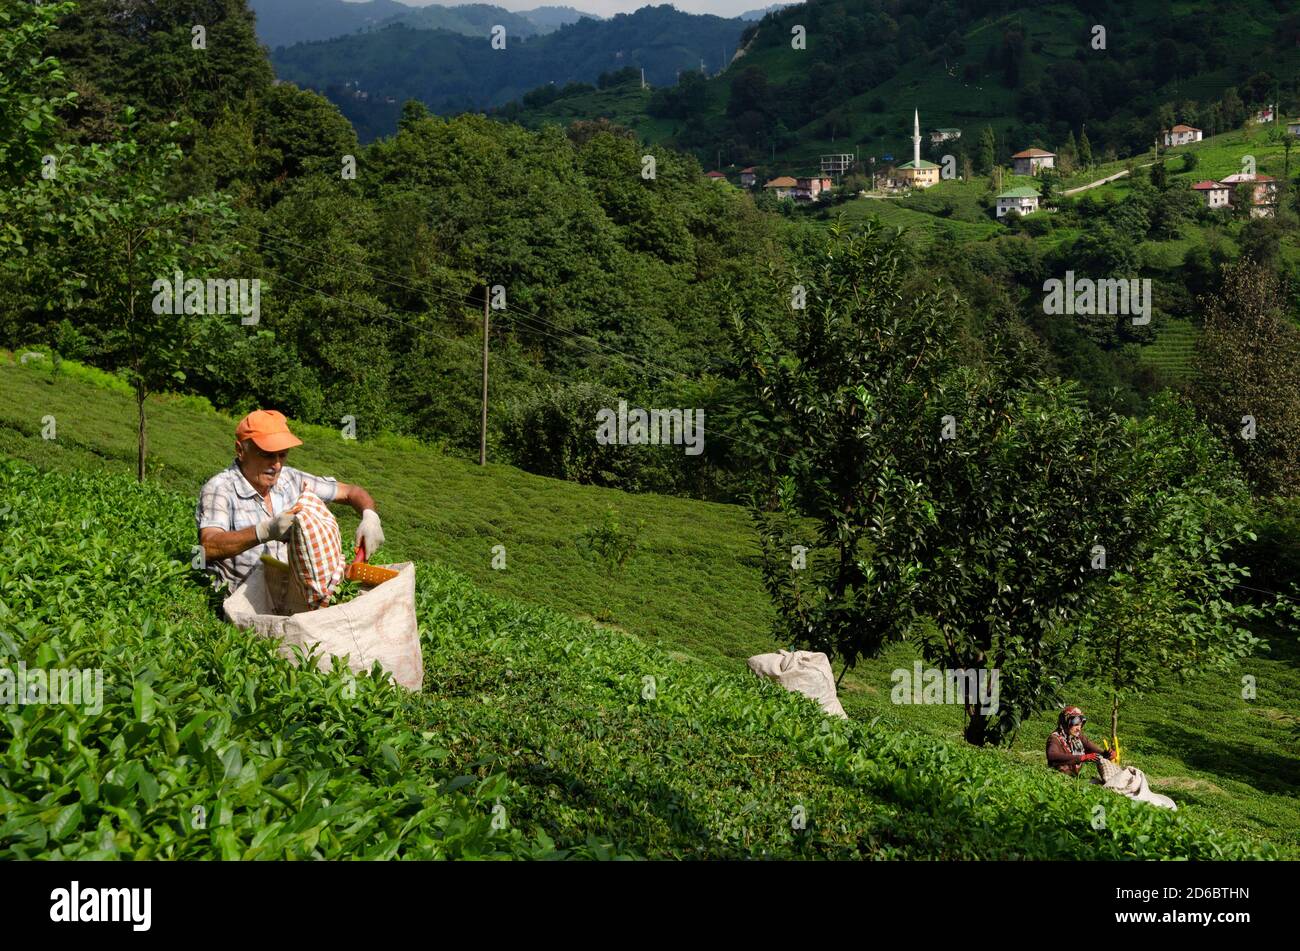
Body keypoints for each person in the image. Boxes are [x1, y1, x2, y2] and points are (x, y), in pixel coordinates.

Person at [196, 409, 385, 595]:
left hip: (292, 592)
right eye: (267, 455)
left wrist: (370, 516)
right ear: (240, 450)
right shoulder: (220, 489)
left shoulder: (290, 479)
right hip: (244, 598)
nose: (277, 465)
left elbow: (351, 492)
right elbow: (208, 548)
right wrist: (263, 532)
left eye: (282, 455)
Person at [1046, 705, 1113, 776]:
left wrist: (1106, 753)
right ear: (1065, 723)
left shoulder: (1077, 736)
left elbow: (1091, 747)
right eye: (1076, 725)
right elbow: (1052, 755)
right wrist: (1082, 757)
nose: (1079, 728)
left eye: (1080, 725)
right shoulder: (1054, 738)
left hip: (1076, 777)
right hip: (1060, 778)